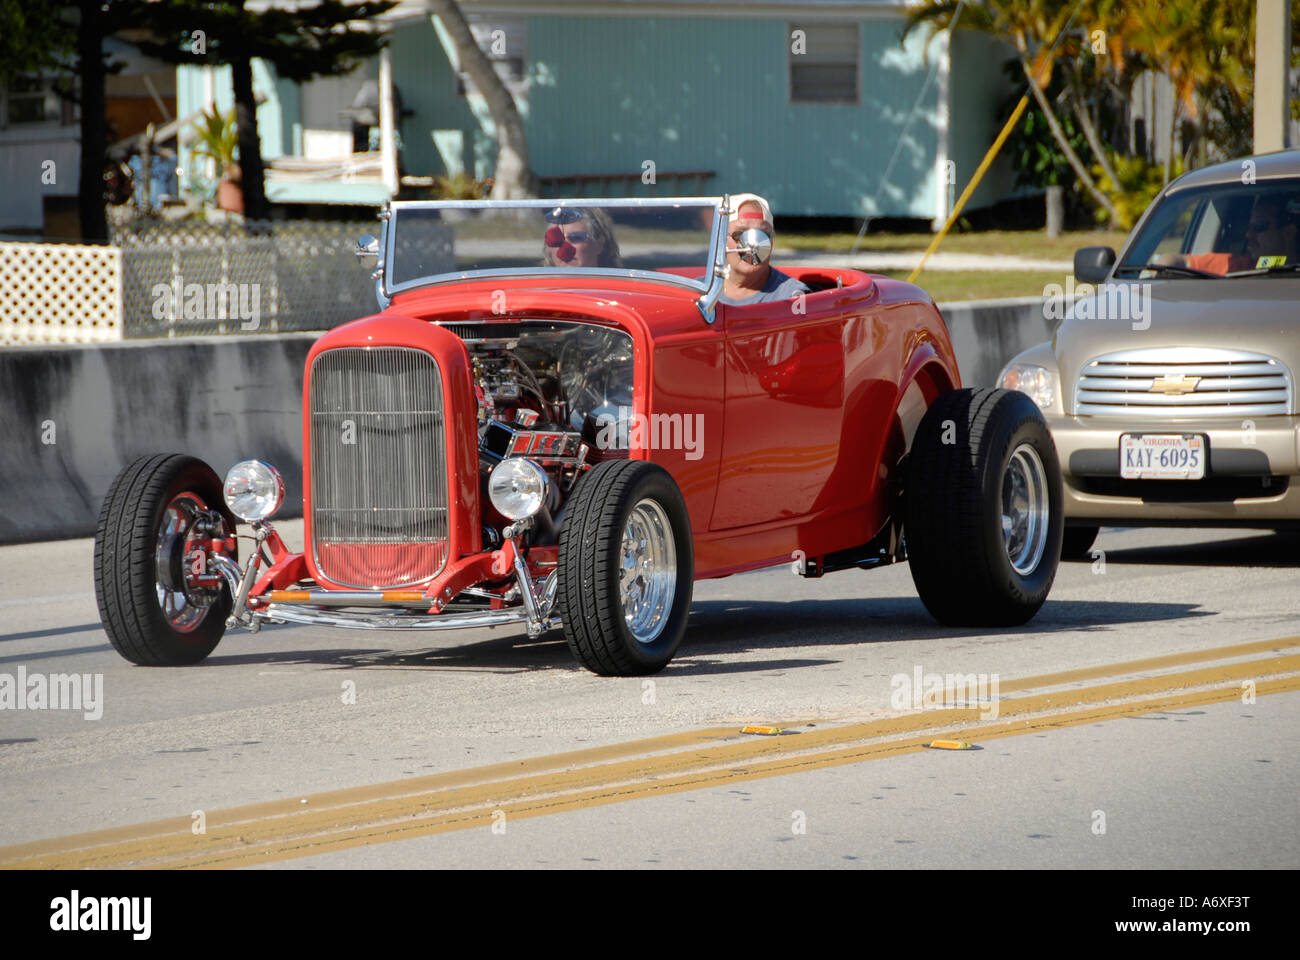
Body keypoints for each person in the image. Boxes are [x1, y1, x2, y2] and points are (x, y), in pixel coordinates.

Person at [1155, 194, 1299, 275]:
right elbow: (1175, 261)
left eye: (1259, 227)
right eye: (1248, 228)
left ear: (1289, 232)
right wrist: (1157, 274)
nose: (1249, 235)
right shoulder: (1238, 268)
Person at [719, 193, 809, 305]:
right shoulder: (700, 292)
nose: (753, 244)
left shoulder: (793, 298)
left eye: (762, 234)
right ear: (721, 239)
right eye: (740, 234)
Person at [542, 207, 623, 268]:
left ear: (599, 245)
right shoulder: (537, 288)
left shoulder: (619, 287)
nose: (564, 247)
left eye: (576, 237)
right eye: (556, 239)